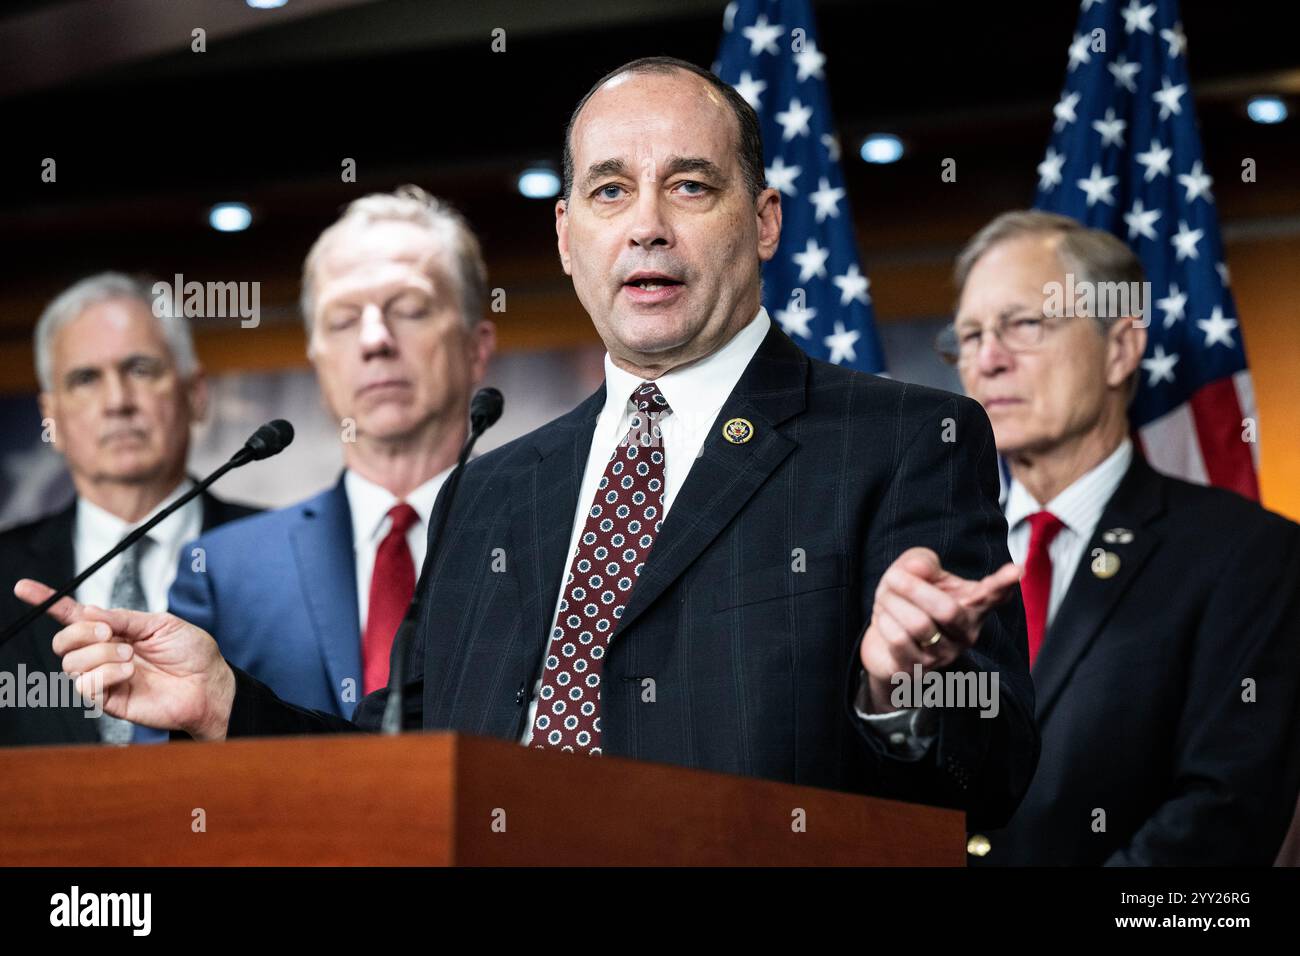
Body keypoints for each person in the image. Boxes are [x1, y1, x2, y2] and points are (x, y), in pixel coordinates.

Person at [18, 58, 1039, 827]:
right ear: (564, 237)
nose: (644, 225)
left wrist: (897, 692)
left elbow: (996, 781)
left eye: (689, 186)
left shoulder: (903, 439)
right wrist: (226, 701)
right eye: (608, 191)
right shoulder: (497, 485)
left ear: (764, 220)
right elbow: (405, 753)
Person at [941, 210, 1300, 864]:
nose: (987, 361)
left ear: (1120, 349)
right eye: (969, 336)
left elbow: (1223, 817)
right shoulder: (927, 555)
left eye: (1024, 325)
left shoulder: (1248, 557)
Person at [166, 187, 496, 717]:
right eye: (343, 320)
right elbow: (164, 777)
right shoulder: (226, 573)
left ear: (478, 347)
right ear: (317, 362)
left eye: (409, 310)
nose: (374, 340)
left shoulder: (554, 540)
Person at [0, 273, 257, 746]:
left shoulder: (281, 552)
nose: (117, 402)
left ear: (196, 393)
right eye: (85, 379)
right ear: (50, 418)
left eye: (140, 369)